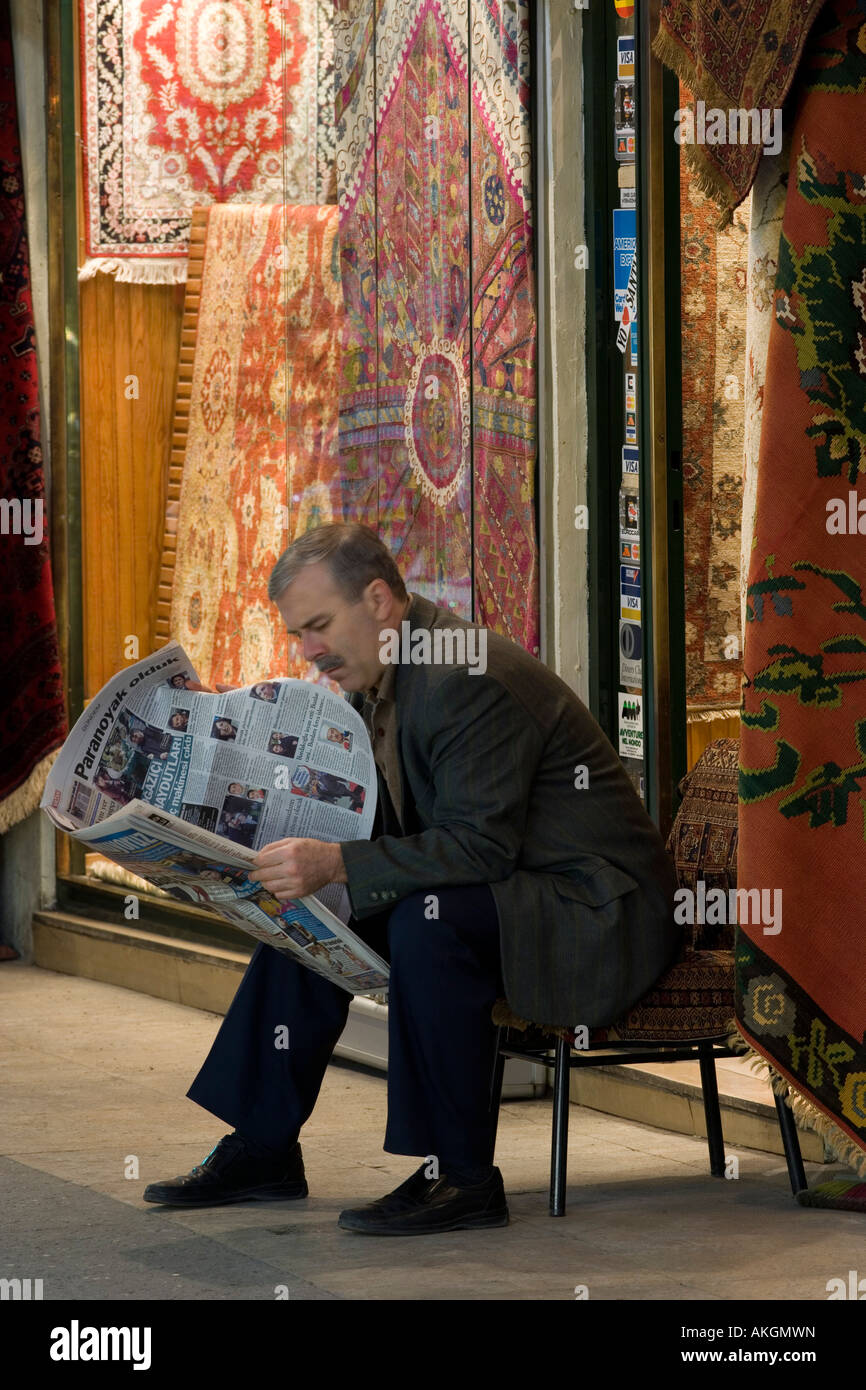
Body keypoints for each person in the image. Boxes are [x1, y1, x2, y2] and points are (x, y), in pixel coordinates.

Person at [144, 523, 680, 1234]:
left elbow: (479, 849)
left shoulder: (466, 678)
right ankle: (264, 1146)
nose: (310, 651)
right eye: (300, 634)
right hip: (517, 892)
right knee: (310, 907)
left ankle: (458, 1177)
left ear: (379, 600)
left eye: (320, 626)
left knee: (424, 918)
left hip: (595, 915)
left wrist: (338, 862)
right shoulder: (385, 675)